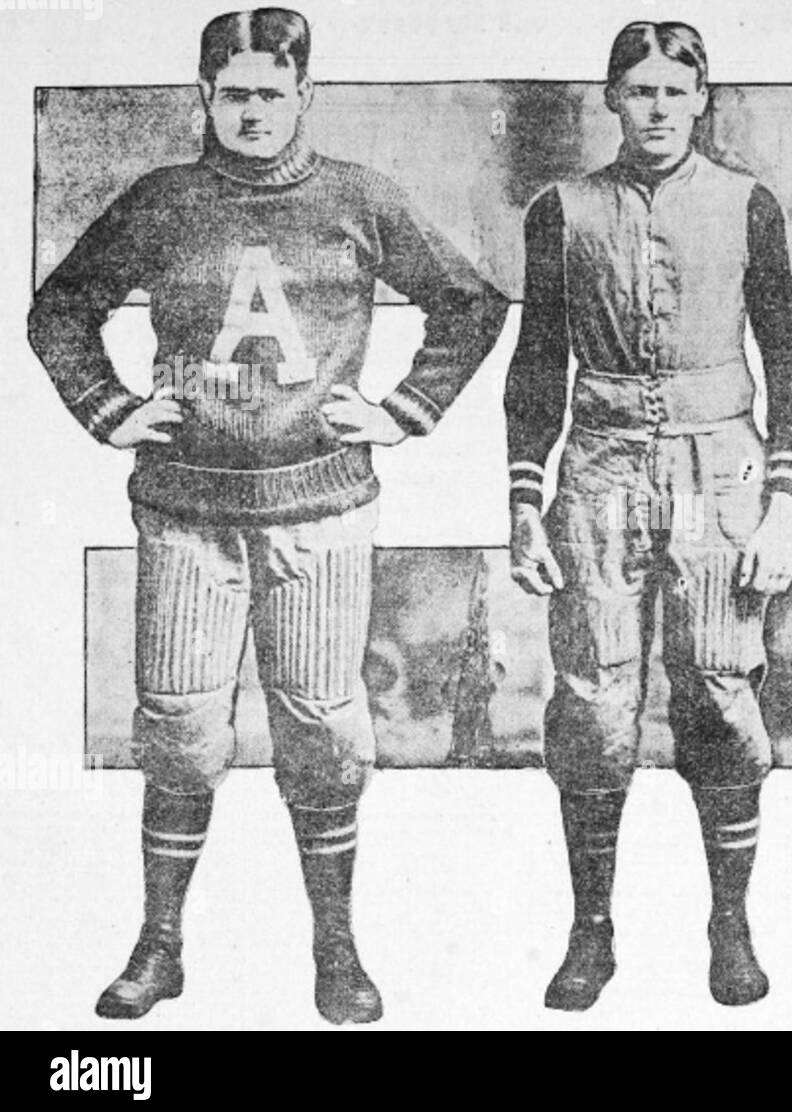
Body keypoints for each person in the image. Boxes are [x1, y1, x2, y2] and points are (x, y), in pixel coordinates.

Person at [28, 7, 509, 1024]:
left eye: (271, 94)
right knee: (178, 727)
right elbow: (58, 308)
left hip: (319, 512)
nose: (252, 113)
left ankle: (336, 951)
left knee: (325, 733)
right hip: (186, 511)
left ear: (305, 97)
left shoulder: (356, 197)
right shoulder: (163, 200)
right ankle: (161, 947)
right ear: (205, 95)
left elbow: (468, 301)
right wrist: (113, 410)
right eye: (233, 93)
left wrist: (400, 411)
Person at [504, 21, 792, 1010]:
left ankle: (729, 925)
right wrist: (523, 498)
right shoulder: (561, 209)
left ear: (701, 100)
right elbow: (535, 360)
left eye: (674, 92)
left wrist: (783, 504)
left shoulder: (745, 205)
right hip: (599, 473)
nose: (655, 108)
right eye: (636, 90)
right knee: (595, 704)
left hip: (719, 470)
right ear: (610, 98)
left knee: (721, 698)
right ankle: (591, 929)